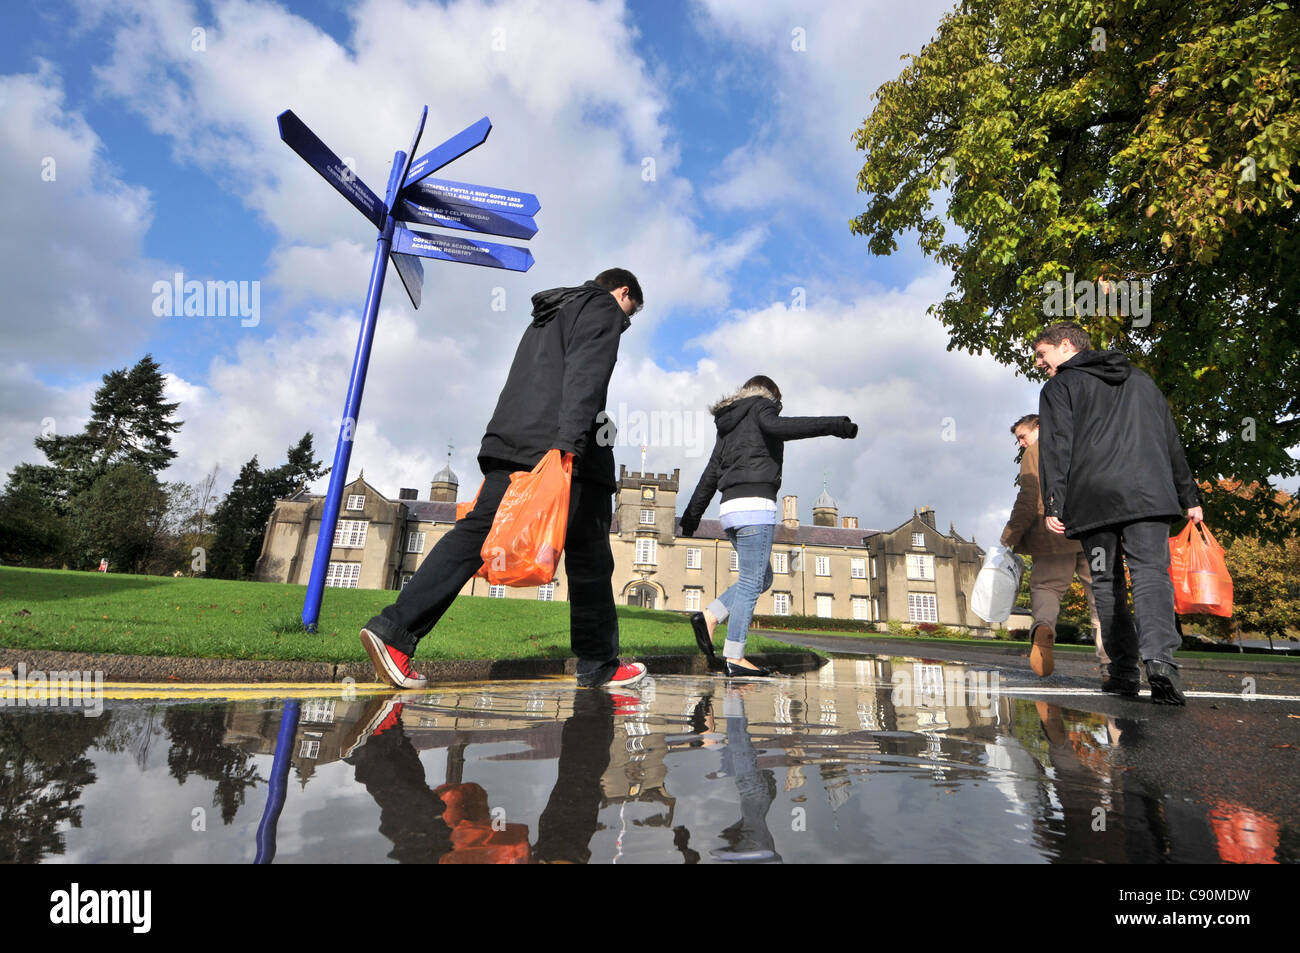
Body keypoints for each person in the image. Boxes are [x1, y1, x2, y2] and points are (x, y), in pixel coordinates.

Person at [360, 268, 648, 690]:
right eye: (631, 310)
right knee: (590, 558)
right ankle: (599, 663)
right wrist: (569, 442)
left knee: (480, 534)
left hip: (513, 439)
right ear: (622, 291)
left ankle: (395, 631)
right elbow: (586, 374)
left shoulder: (551, 311)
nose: (626, 321)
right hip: (561, 448)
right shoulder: (601, 307)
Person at [1033, 322, 1203, 705]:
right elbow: (1169, 438)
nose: (1041, 364)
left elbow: (1056, 446)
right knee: (1151, 576)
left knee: (1106, 583)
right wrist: (1189, 495)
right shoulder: (1142, 380)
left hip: (1095, 501)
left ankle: (1123, 672)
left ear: (1065, 346)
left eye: (1043, 354)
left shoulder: (1059, 387)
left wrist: (1055, 503)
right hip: (1149, 496)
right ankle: (1161, 663)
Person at [678, 376, 857, 677]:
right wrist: (835, 425)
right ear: (771, 395)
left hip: (730, 511)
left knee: (762, 577)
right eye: (779, 402)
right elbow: (782, 427)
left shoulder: (729, 424)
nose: (778, 408)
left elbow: (711, 473)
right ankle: (734, 656)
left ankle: (709, 616)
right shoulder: (762, 408)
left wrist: (692, 516)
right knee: (751, 582)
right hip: (754, 507)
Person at [999, 413, 1107, 678]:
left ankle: (1044, 628)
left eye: (1023, 437)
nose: (1022, 444)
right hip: (1093, 533)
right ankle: (1111, 665)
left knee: (1047, 588)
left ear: (1038, 426)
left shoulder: (1035, 454)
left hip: (1052, 535)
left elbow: (1028, 497)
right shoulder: (1082, 442)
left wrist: (1008, 537)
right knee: (1100, 598)